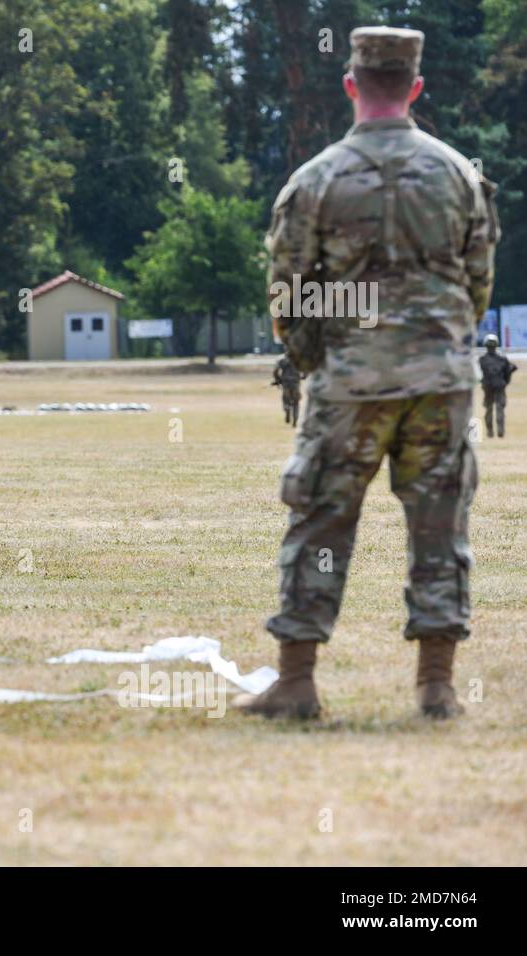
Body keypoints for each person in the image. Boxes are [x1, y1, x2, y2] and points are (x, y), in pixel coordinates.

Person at [239, 26, 498, 720]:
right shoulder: (459, 175)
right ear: (414, 88)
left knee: (320, 520)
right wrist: (440, 346)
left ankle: (296, 683)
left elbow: (289, 295)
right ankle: (437, 688)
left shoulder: (316, 180)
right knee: (440, 526)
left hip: (350, 383)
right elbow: (478, 286)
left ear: (351, 84)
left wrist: (313, 361)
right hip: (443, 381)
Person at [477, 334, 516, 438]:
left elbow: (478, 375)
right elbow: (509, 372)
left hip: (487, 387)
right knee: (500, 408)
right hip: (500, 386)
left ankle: (490, 432)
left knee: (488, 409)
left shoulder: (482, 360)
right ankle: (500, 431)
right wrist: (505, 382)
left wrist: (483, 383)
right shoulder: (503, 359)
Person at [272, 355, 302, 427]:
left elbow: (276, 371)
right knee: (296, 402)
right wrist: (303, 377)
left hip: (285, 382)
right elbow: (306, 370)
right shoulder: (299, 358)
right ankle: (295, 419)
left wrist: (277, 380)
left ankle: (287, 409)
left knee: (285, 399)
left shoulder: (281, 359)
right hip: (296, 382)